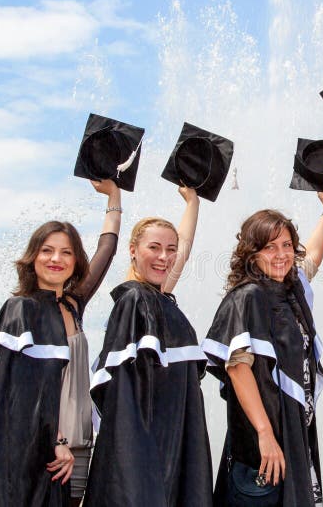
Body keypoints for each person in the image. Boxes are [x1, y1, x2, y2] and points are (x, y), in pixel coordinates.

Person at [0, 180, 122, 507]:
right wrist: (55, 440)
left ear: (76, 261)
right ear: (33, 257)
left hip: (77, 442)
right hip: (40, 446)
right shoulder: (21, 310)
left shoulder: (72, 306)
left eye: (66, 252)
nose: (55, 259)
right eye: (47, 250)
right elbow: (22, 394)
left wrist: (114, 196)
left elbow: (107, 250)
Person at [202, 186, 323, 507]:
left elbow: (314, 258)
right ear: (252, 253)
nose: (281, 254)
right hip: (262, 447)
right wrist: (265, 434)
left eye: (287, 245)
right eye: (269, 247)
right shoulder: (247, 296)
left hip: (292, 435)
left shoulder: (291, 292)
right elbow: (237, 368)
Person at [84, 188, 212, 506]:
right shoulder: (135, 300)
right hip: (146, 458)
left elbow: (182, 250)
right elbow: (125, 398)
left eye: (170, 249)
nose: (164, 256)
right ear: (133, 250)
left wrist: (193, 203)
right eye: (153, 248)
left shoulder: (158, 300)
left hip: (171, 443)